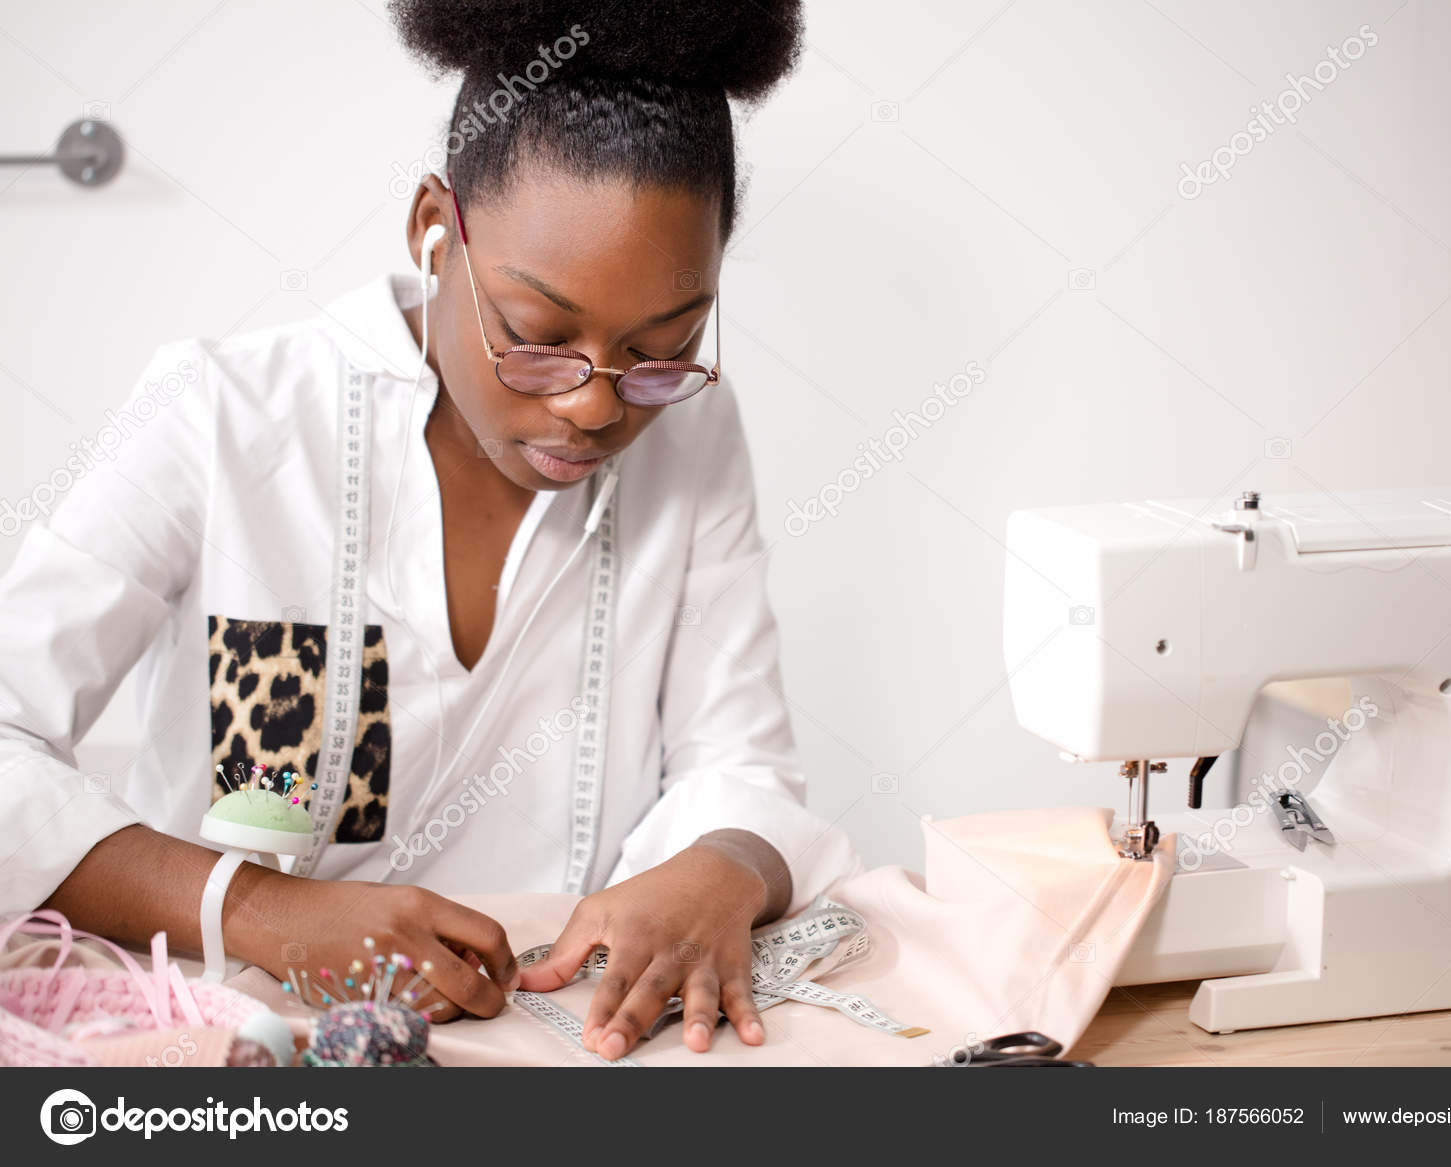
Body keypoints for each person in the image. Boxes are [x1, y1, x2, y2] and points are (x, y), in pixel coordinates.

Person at [1, 0, 857, 1062]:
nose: (596, 405)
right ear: (434, 233)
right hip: (251, 1045)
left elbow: (742, 765)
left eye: (659, 348)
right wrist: (264, 909)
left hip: (556, 1043)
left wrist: (722, 864)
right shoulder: (220, 417)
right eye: (536, 337)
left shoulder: (691, 433)